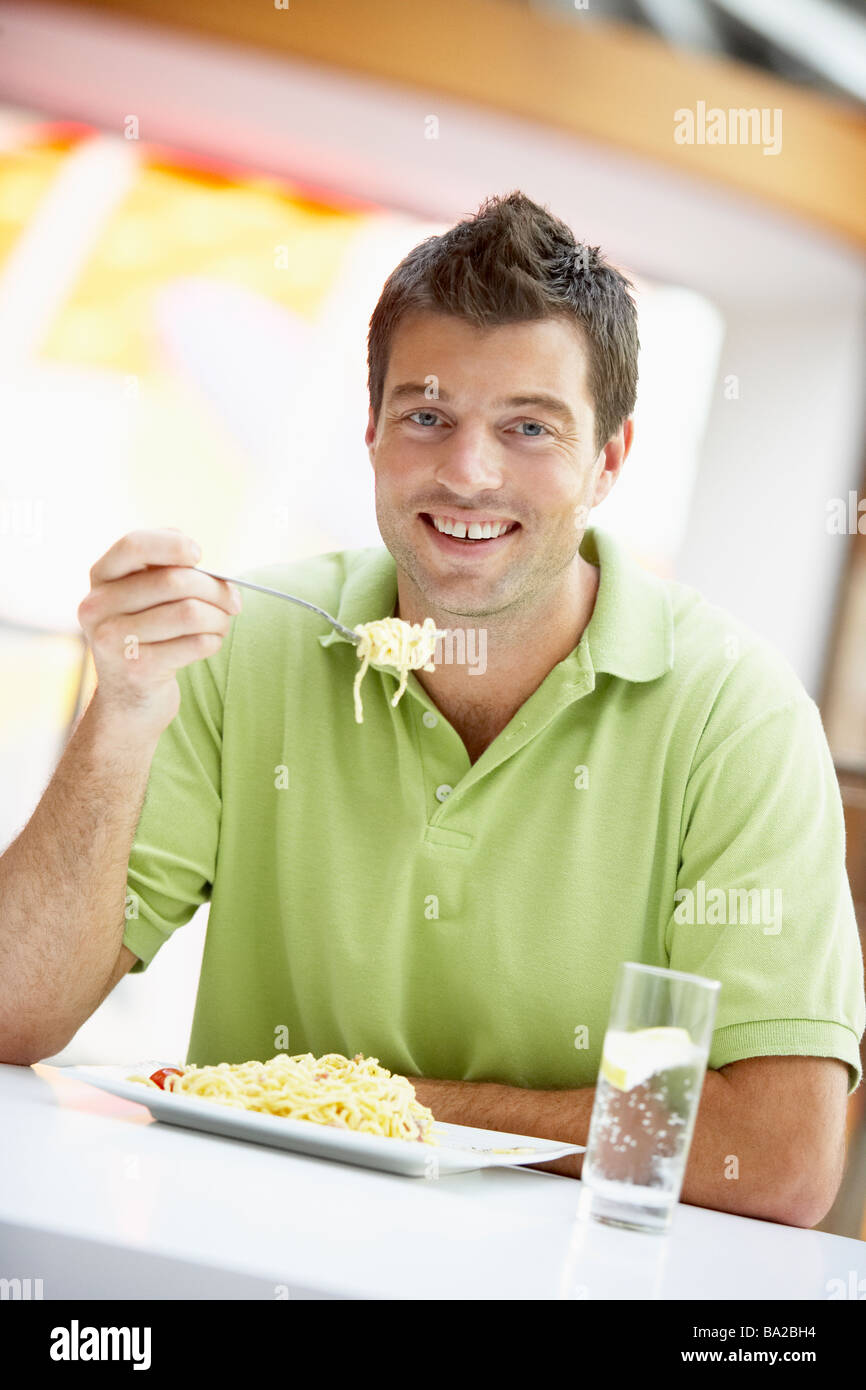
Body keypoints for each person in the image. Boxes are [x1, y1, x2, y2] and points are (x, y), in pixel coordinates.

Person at [1, 192, 862, 1227]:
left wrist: (371, 1107)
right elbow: (15, 1014)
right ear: (370, 432)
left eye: (527, 427)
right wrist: (124, 710)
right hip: (238, 1252)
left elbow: (774, 1158)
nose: (467, 472)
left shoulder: (737, 716)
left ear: (609, 460)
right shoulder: (244, 648)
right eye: (426, 415)